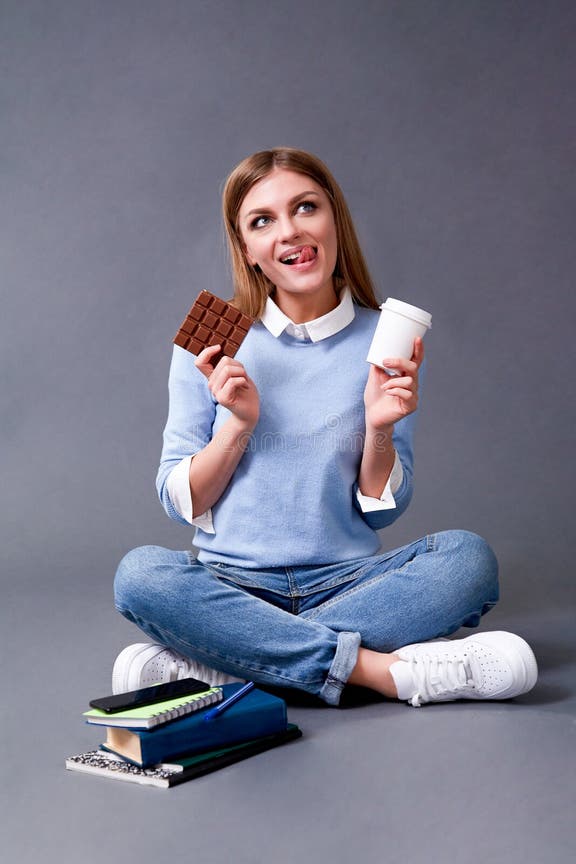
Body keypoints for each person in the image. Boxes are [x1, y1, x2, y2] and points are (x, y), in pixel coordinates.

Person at [113, 147, 537, 708]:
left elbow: (383, 510)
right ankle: (385, 673)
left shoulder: (385, 337)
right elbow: (179, 500)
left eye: (305, 207)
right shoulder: (211, 342)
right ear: (248, 248)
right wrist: (237, 426)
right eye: (262, 221)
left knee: (467, 559)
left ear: (333, 218)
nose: (289, 232)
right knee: (142, 574)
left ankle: (228, 662)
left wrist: (380, 427)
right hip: (233, 587)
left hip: (352, 582)